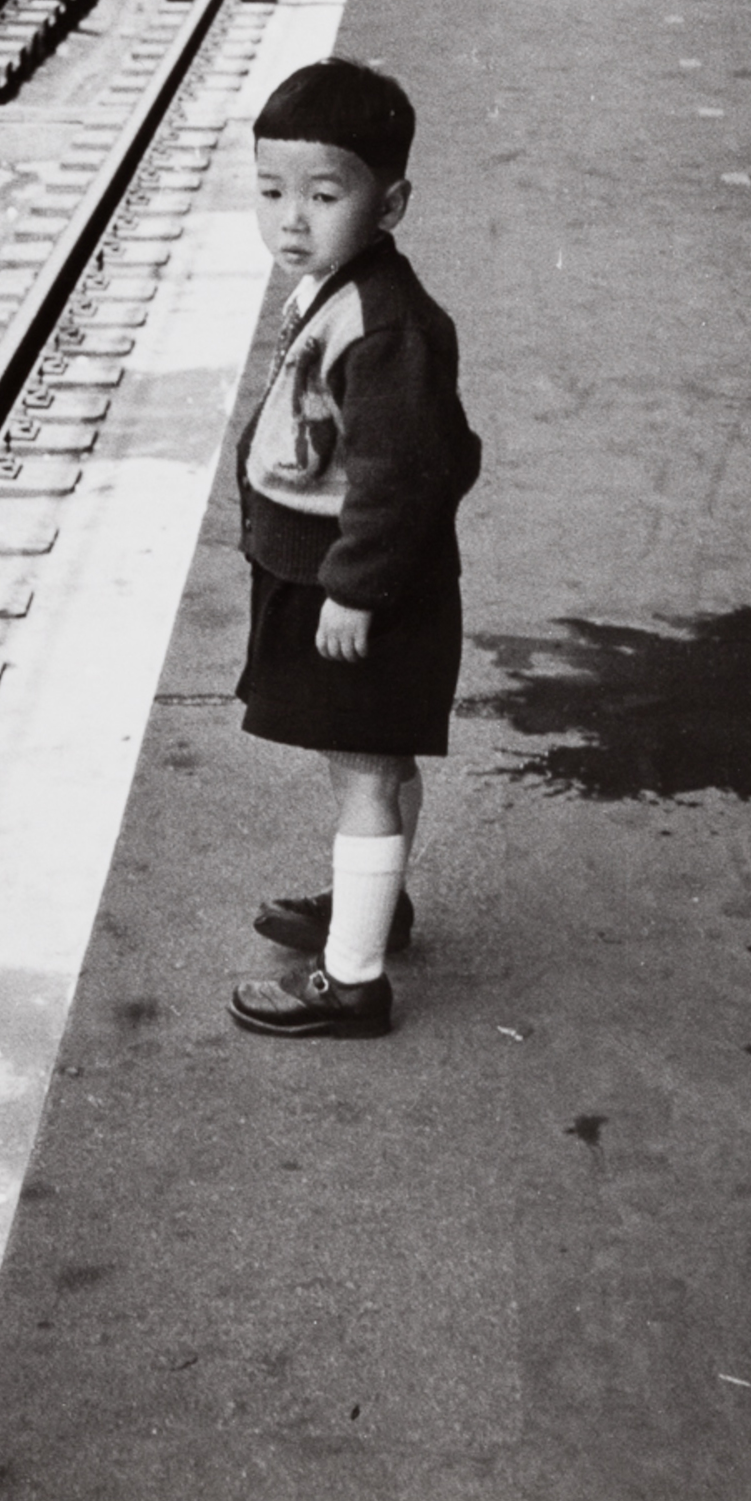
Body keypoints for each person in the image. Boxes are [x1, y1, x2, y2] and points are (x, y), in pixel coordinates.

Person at [227, 60, 482, 1040]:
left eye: (324, 195)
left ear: (391, 202)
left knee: (364, 775)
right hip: (326, 575)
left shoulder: (386, 324)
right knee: (372, 762)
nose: (292, 218)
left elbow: (410, 471)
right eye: (271, 191)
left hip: (355, 590)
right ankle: (378, 906)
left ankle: (354, 980)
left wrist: (356, 589)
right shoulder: (340, 288)